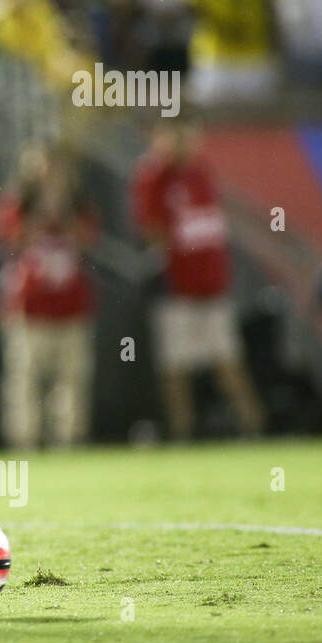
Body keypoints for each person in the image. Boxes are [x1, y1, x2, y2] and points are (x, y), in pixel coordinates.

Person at [131, 122, 265, 439]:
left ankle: (256, 428)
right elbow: (149, 230)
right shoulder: (154, 177)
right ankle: (183, 433)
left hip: (211, 288)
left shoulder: (201, 172)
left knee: (229, 363)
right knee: (175, 368)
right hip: (178, 290)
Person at [0, 144, 98, 449]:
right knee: (24, 380)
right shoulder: (17, 203)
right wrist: (41, 210)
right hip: (29, 307)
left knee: (72, 380)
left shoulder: (78, 205)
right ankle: (23, 441)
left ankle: (70, 440)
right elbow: (13, 240)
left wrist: (62, 209)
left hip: (71, 305)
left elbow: (86, 241)